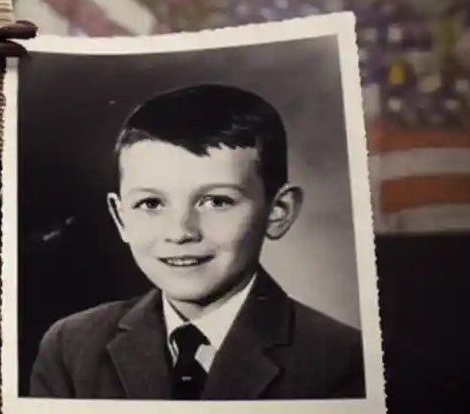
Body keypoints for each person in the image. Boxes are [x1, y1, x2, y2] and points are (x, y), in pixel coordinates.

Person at [28, 84, 365, 400]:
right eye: (151, 204)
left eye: (216, 201)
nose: (181, 232)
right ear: (121, 218)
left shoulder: (346, 363)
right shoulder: (70, 349)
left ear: (278, 211)